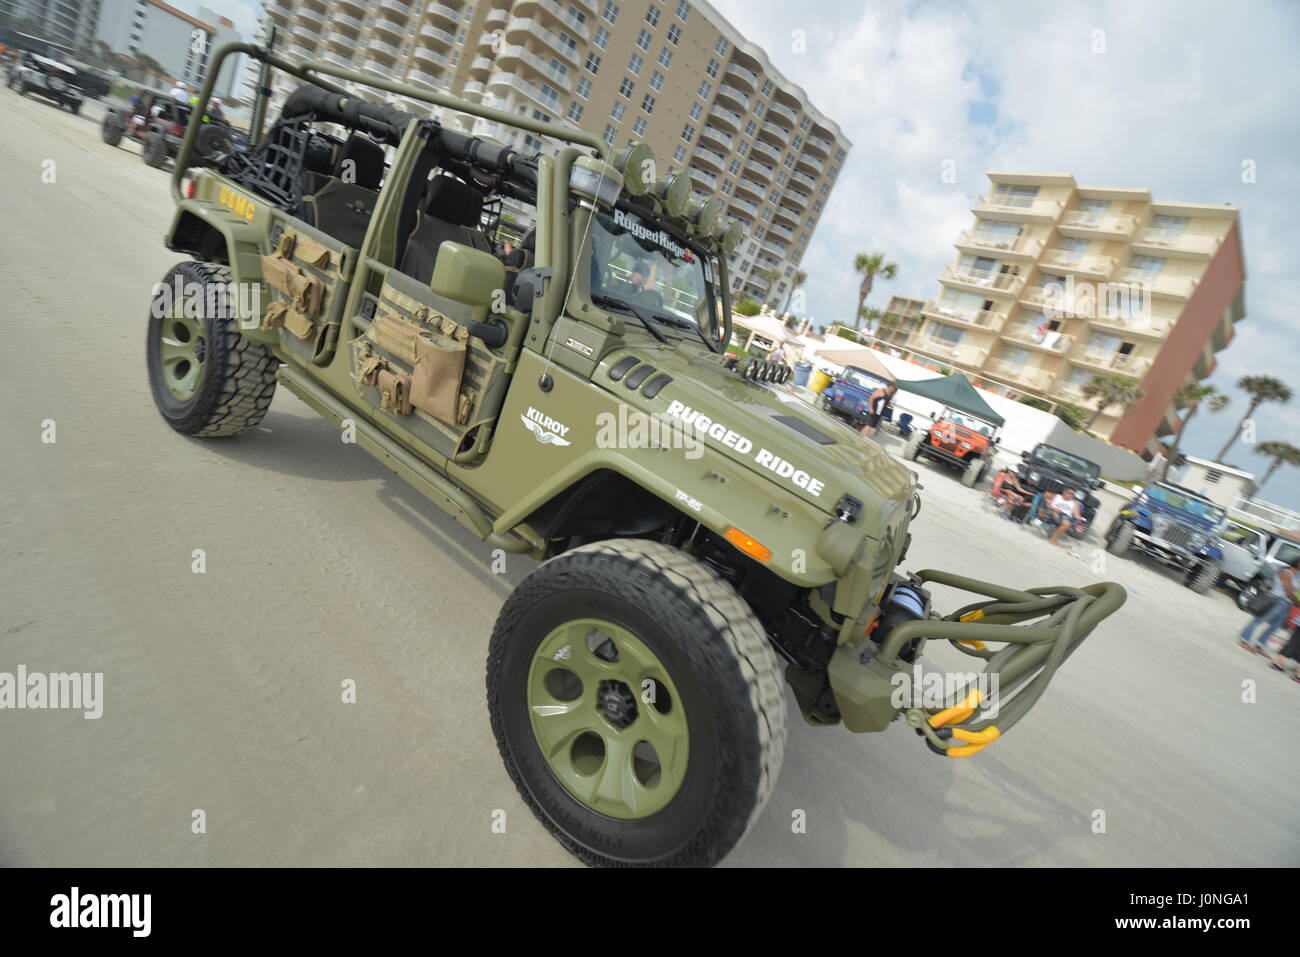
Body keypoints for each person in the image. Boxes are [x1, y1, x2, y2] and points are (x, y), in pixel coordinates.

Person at [1239, 558, 1300, 656]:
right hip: (1278, 601)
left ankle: (1259, 645)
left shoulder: (1296, 575)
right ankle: (1244, 640)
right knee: (1259, 621)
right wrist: (1297, 603)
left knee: (1275, 626)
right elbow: (1288, 592)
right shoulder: (1287, 573)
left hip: (1287, 604)